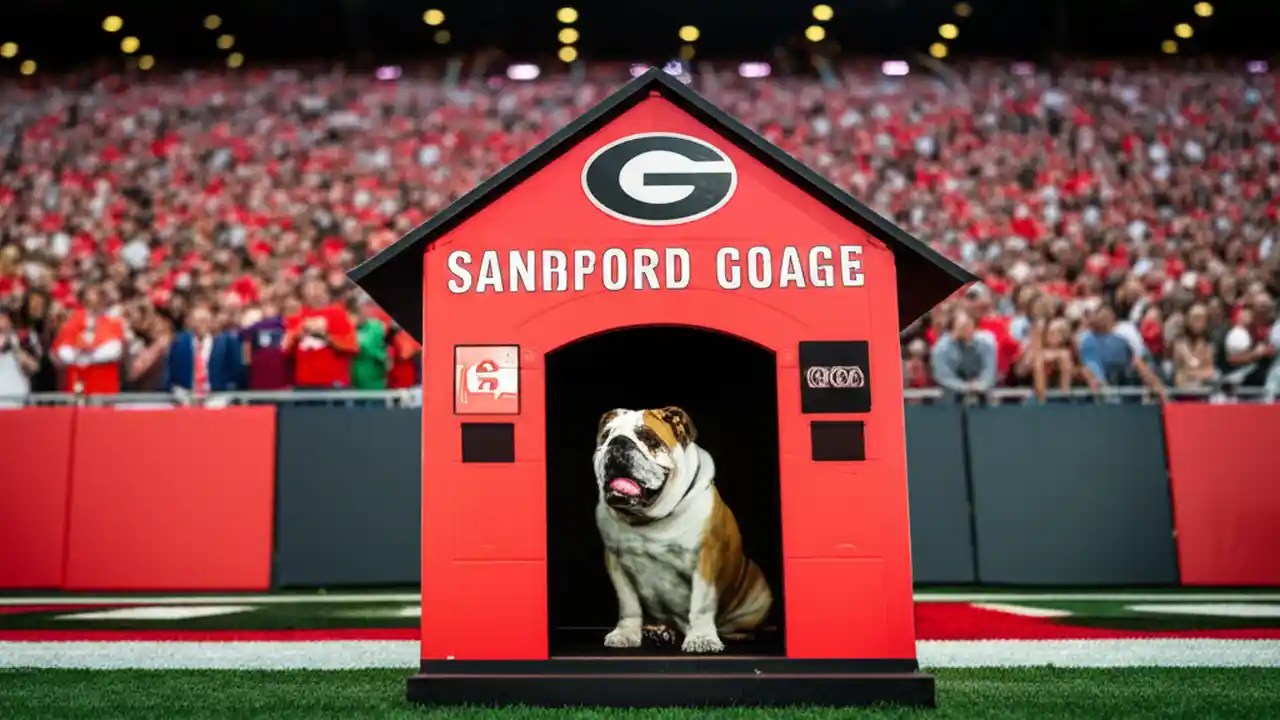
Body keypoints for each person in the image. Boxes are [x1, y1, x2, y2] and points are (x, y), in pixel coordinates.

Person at [1078, 305, 1168, 401]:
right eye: (1101, 317)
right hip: (1097, 383)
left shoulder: (1120, 341)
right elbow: (1085, 364)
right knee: (1088, 373)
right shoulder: (1085, 339)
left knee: (1140, 365)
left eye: (1107, 318)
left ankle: (1164, 397)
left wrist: (1156, 385)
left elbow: (1135, 361)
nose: (1103, 320)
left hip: (1121, 377)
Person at [51, 283, 126, 395]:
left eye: (98, 300)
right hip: (76, 383)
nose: (92, 306)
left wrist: (85, 356)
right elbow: (62, 352)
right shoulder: (71, 322)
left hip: (104, 385)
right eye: (87, 301)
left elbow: (113, 351)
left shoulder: (112, 322)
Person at [283, 278, 356, 390]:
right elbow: (285, 349)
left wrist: (327, 338)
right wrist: (299, 334)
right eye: (310, 289)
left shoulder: (338, 314)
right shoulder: (297, 316)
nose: (314, 293)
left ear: (326, 292)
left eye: (317, 288)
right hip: (304, 383)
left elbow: (352, 346)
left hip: (332, 383)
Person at [164, 303, 243, 393]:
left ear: (211, 321)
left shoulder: (226, 342)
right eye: (198, 321)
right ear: (191, 322)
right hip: (186, 394)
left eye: (205, 320)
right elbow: (172, 370)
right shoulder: (179, 342)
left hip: (217, 394)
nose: (202, 324)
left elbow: (235, 371)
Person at [930, 310, 998, 402]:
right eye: (962, 326)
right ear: (953, 327)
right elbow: (942, 376)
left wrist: (980, 385)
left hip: (983, 394)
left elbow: (989, 371)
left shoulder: (987, 342)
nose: (965, 329)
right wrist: (965, 387)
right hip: (952, 395)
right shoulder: (941, 348)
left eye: (968, 325)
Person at [240, 302, 291, 391]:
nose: (266, 309)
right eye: (264, 306)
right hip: (260, 369)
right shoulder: (252, 329)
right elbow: (246, 342)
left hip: (278, 368)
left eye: (270, 306)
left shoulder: (284, 325)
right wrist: (247, 364)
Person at [1171, 303, 1218, 391]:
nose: (1198, 322)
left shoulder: (1208, 343)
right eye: (1195, 318)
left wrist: (1193, 374)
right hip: (1183, 389)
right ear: (1188, 319)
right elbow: (1183, 370)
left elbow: (1210, 371)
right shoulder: (1180, 343)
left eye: (1201, 318)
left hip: (1203, 389)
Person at [0, 310, 38, 408]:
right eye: (1, 329)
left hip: (18, 407)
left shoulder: (18, 346)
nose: (4, 333)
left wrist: (16, 349)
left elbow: (33, 368)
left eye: (7, 328)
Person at [351, 297, 390, 390]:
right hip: (352, 384)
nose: (355, 316)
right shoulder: (349, 327)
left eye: (358, 311)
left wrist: (360, 345)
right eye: (353, 312)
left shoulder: (376, 327)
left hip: (374, 382)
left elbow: (384, 354)